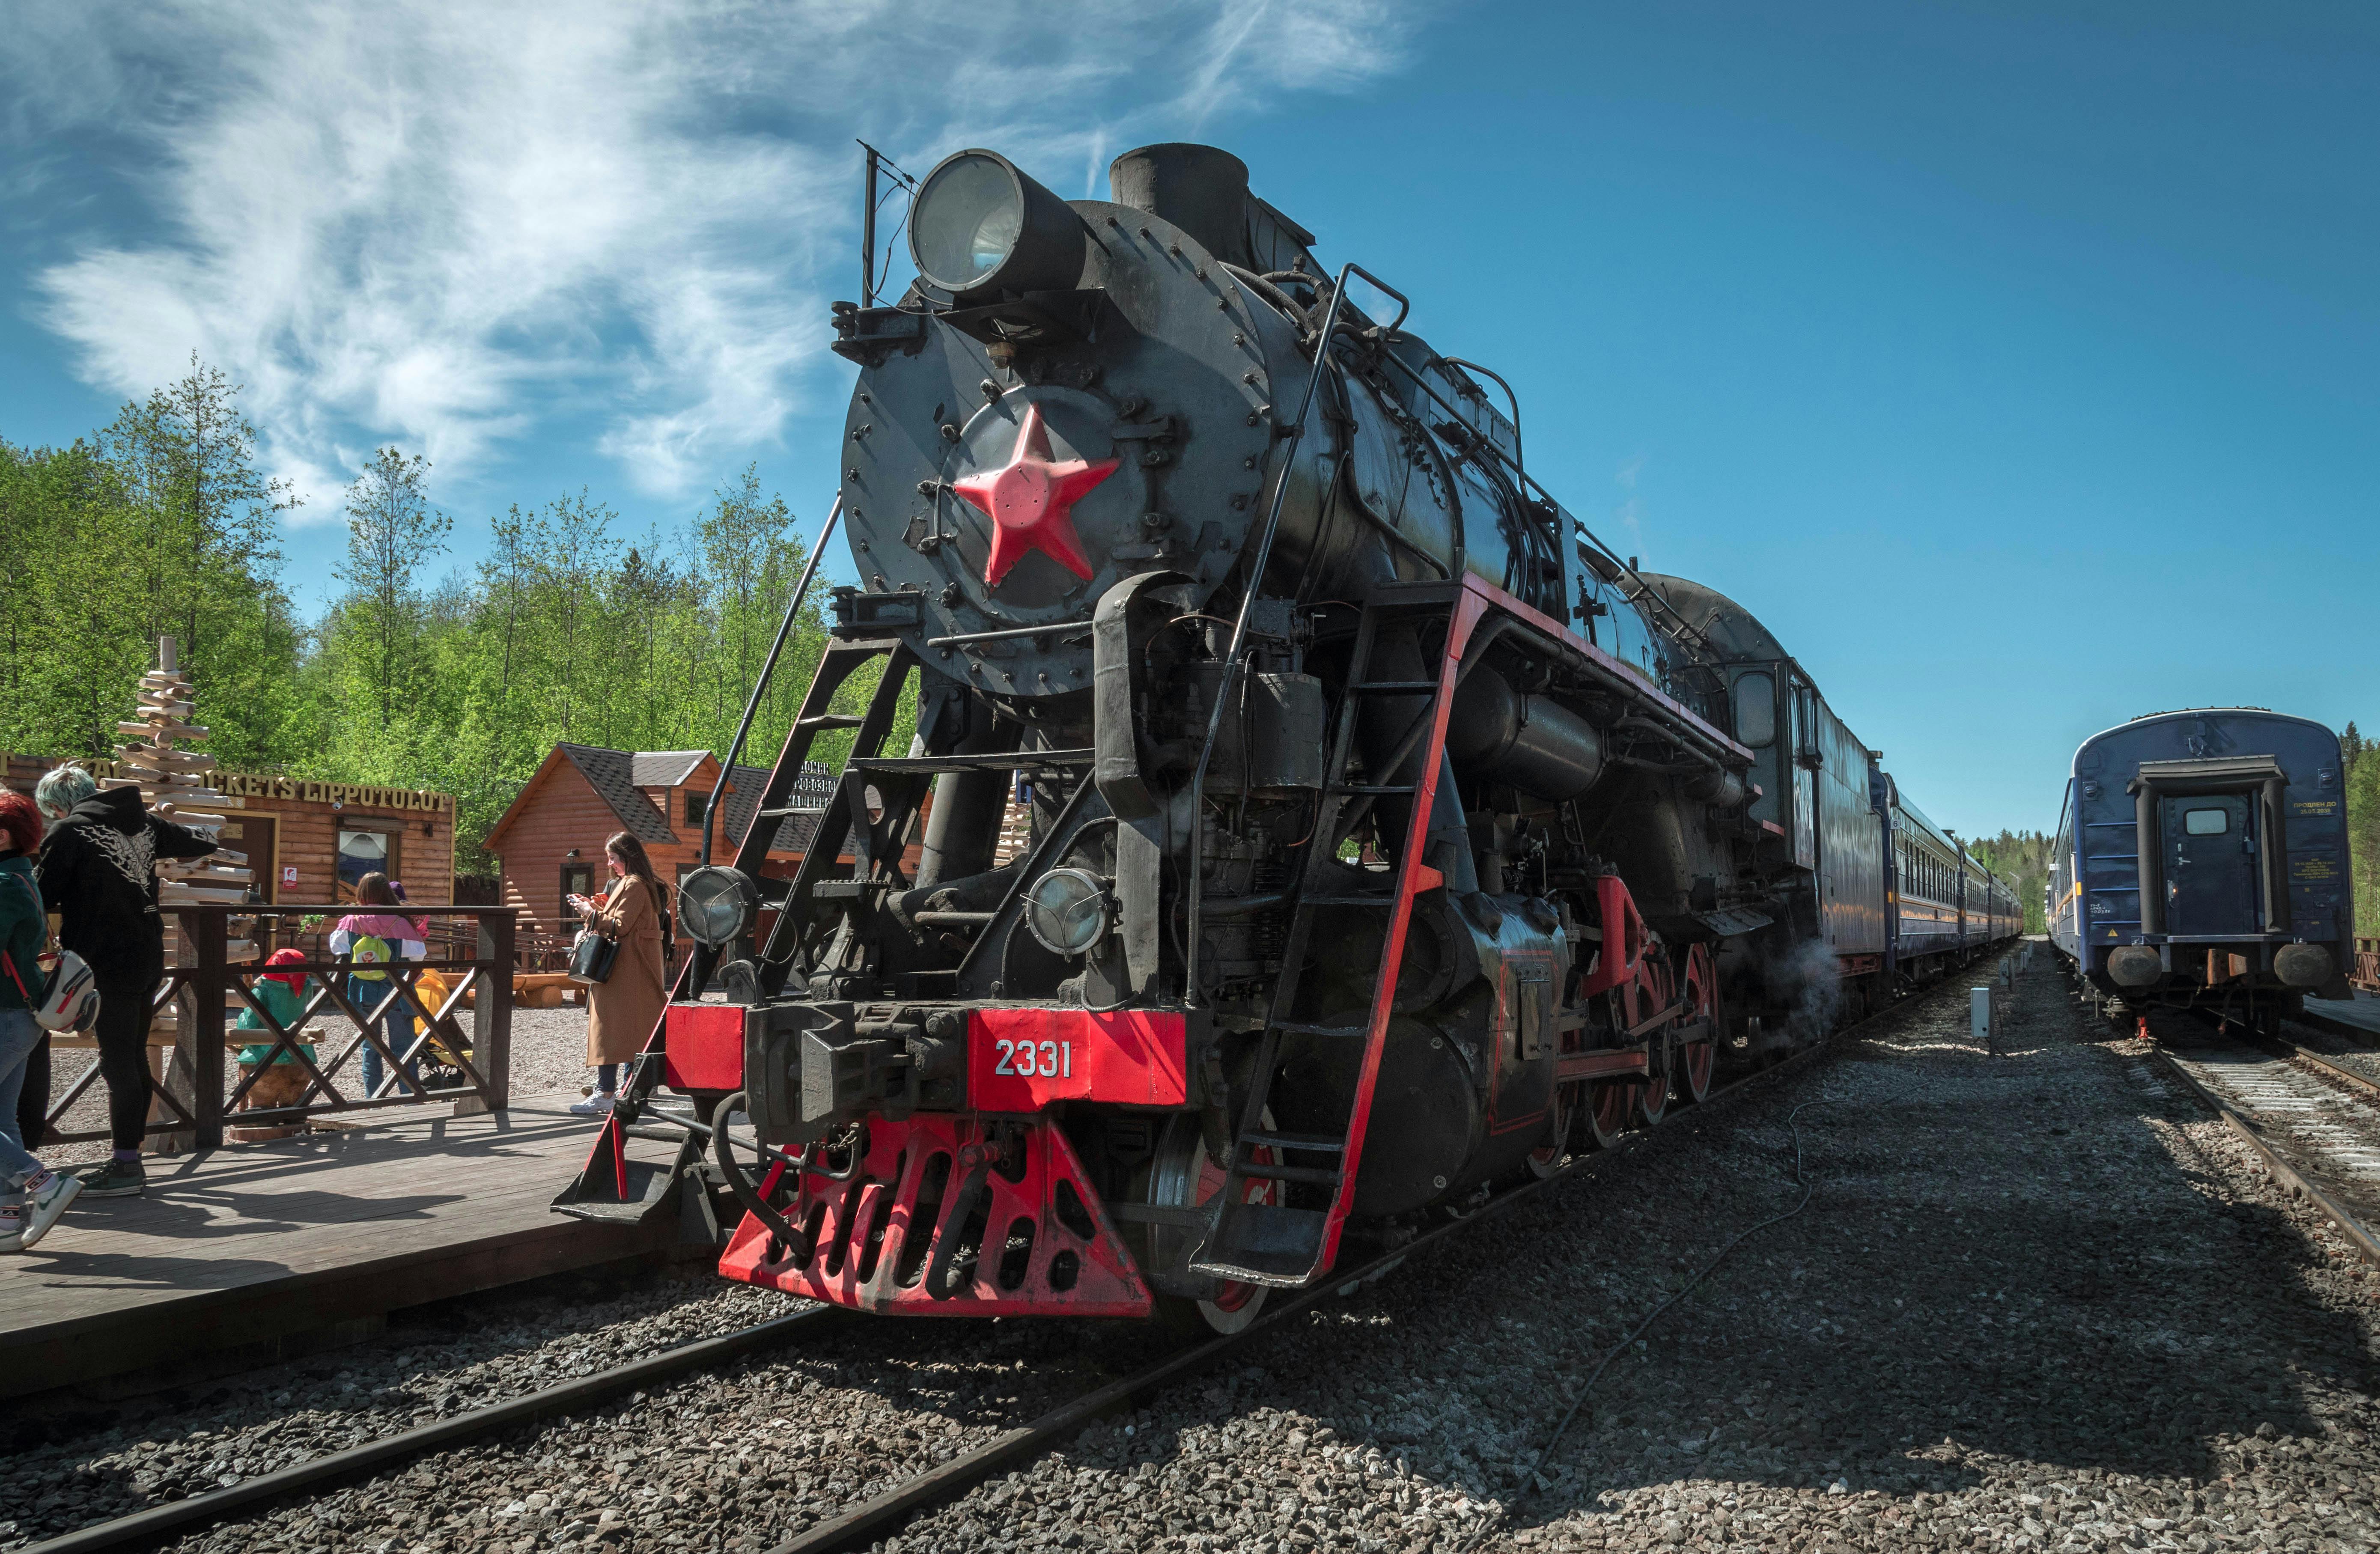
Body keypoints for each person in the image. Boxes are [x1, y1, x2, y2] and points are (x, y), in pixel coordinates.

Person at [34, 764, 217, 1198]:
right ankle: (129, 1158)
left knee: (117, 1063)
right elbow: (201, 841)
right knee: (133, 1054)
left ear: (60, 806)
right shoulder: (146, 823)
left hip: (103, 961)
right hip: (147, 954)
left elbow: (41, 894)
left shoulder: (69, 832)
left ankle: (125, 1167)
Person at [0, 789, 80, 1250]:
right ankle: (9, 1220)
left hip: (5, 1015)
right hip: (23, 1015)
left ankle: (44, 1185)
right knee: (4, 1120)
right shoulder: (22, 877)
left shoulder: (4, 886)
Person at [565, 831, 667, 1117]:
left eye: (613, 858)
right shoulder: (635, 883)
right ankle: (626, 1091)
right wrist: (596, 908)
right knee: (629, 1032)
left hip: (623, 971)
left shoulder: (633, 884)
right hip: (630, 970)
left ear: (627, 857)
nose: (610, 864)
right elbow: (627, 924)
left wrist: (589, 911)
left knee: (610, 1031)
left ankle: (609, 1094)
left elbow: (620, 927)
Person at [331, 874, 426, 1099]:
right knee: (404, 1047)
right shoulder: (400, 921)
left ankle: (373, 1097)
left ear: (361, 893)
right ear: (387, 892)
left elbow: (339, 950)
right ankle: (409, 1097)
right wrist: (408, 983)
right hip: (397, 991)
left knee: (370, 1047)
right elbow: (418, 957)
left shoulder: (351, 920)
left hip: (362, 990)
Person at [233, 947, 319, 1113]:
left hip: (262, 1058)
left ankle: (262, 1118)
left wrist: (242, 1032)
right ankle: (293, 1117)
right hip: (301, 1057)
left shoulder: (263, 990)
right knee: (293, 1104)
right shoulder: (306, 988)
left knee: (262, 1103)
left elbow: (250, 1023)